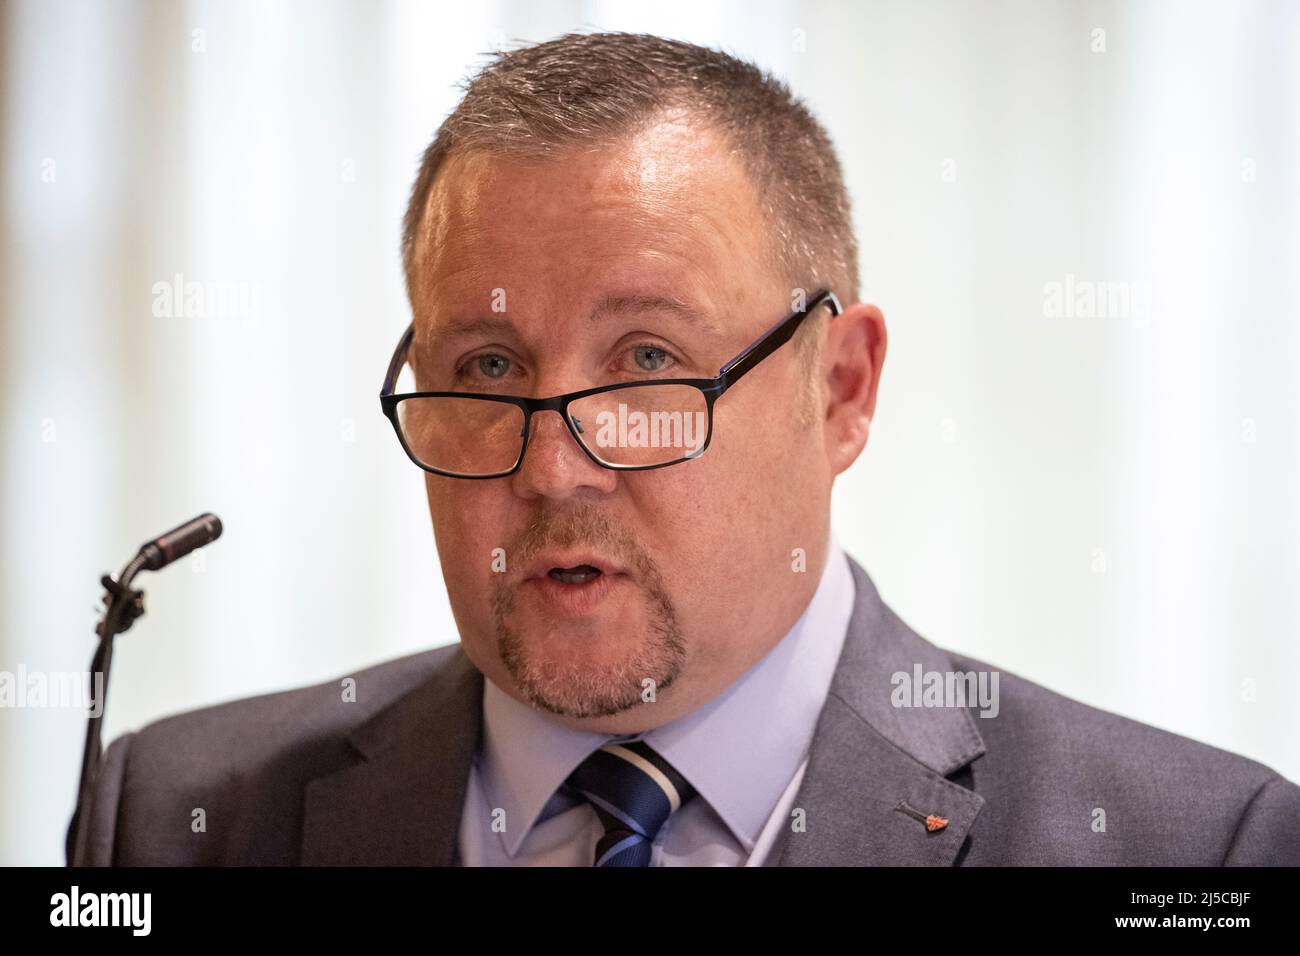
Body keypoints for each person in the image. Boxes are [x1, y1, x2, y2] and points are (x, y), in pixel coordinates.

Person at [72, 31, 1300, 866]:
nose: (554, 467)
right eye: (489, 369)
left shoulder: (1196, 845)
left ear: (841, 389)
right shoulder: (173, 817)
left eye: (650, 362)